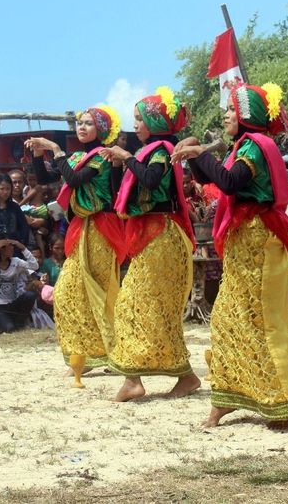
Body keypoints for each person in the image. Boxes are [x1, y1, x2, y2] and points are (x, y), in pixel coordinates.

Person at [172, 82, 288, 427]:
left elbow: (230, 182)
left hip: (258, 241)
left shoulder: (257, 146)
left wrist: (199, 154)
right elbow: (219, 177)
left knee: (259, 320)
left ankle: (280, 401)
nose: (227, 115)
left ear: (247, 114)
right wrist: (196, 157)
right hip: (244, 243)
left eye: (232, 109)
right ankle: (229, 396)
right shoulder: (248, 145)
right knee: (230, 319)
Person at [101, 87, 200, 401]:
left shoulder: (159, 150)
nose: (136, 125)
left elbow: (152, 180)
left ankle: (136, 380)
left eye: (140, 119)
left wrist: (127, 157)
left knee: (135, 304)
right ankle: (181, 376)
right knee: (149, 307)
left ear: (155, 121)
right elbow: (124, 194)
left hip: (160, 236)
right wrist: (119, 164)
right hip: (151, 235)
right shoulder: (152, 150)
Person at [25, 105, 126, 386]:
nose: (81, 127)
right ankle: (83, 356)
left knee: (101, 293)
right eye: (79, 123)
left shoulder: (103, 156)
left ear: (102, 130)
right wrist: (38, 156)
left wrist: (56, 150)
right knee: (69, 293)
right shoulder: (80, 155)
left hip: (101, 229)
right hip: (82, 228)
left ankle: (116, 354)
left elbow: (74, 179)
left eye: (88, 124)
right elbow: (48, 178)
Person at [0, 174, 30, 246]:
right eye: (2, 189)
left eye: (8, 189)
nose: (5, 192)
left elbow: (24, 228)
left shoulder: (15, 207)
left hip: (15, 248)